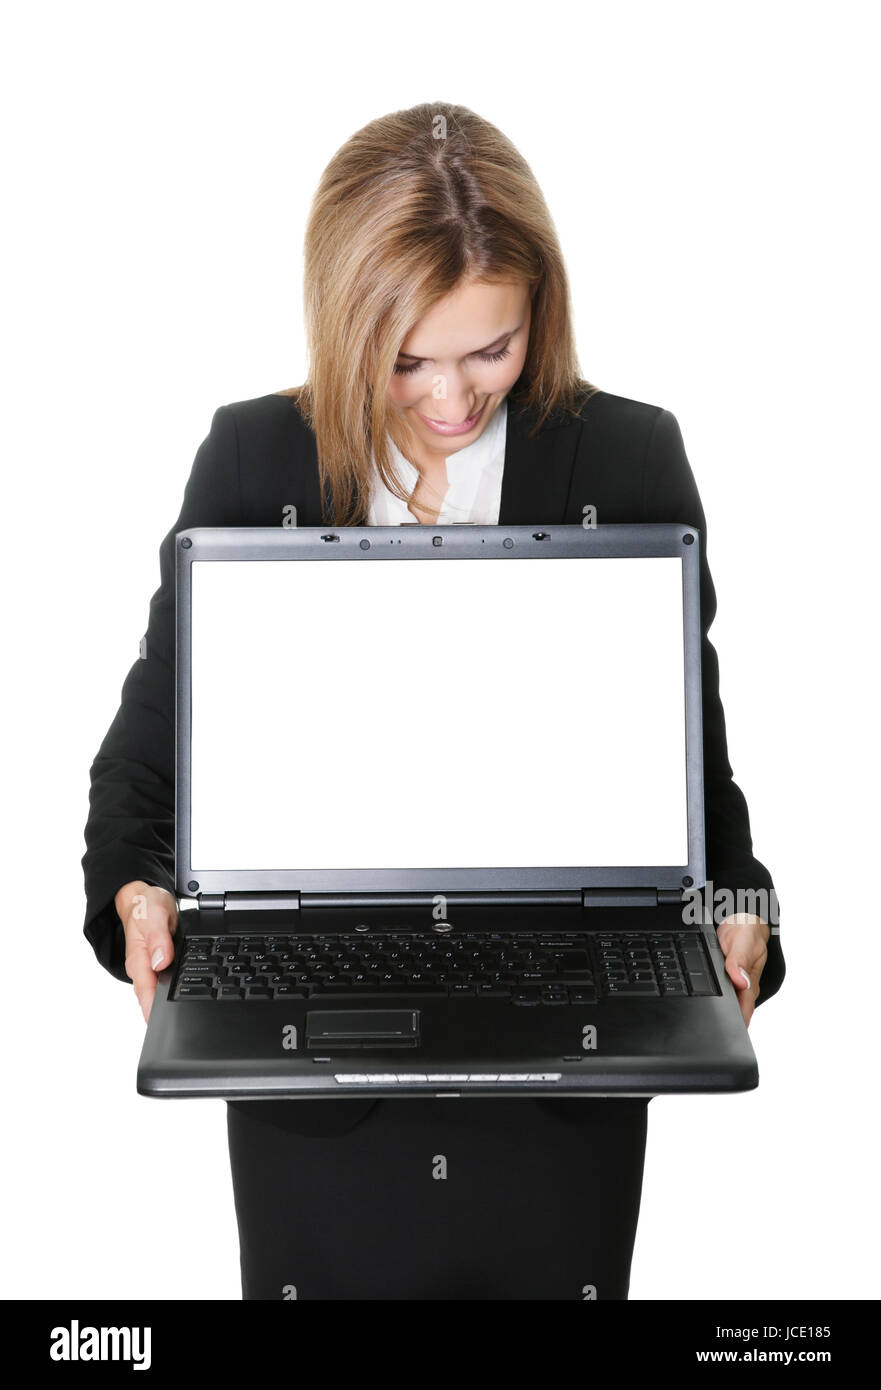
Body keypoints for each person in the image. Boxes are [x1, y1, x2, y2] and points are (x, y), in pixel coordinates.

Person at [82, 102, 785, 1300]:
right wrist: (135, 892)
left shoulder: (626, 457)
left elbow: (696, 784)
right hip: (315, 1048)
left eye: (490, 350)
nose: (452, 399)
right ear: (341, 320)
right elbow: (148, 764)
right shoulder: (256, 461)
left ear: (538, 313)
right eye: (407, 359)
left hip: (562, 1052)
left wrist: (738, 911)